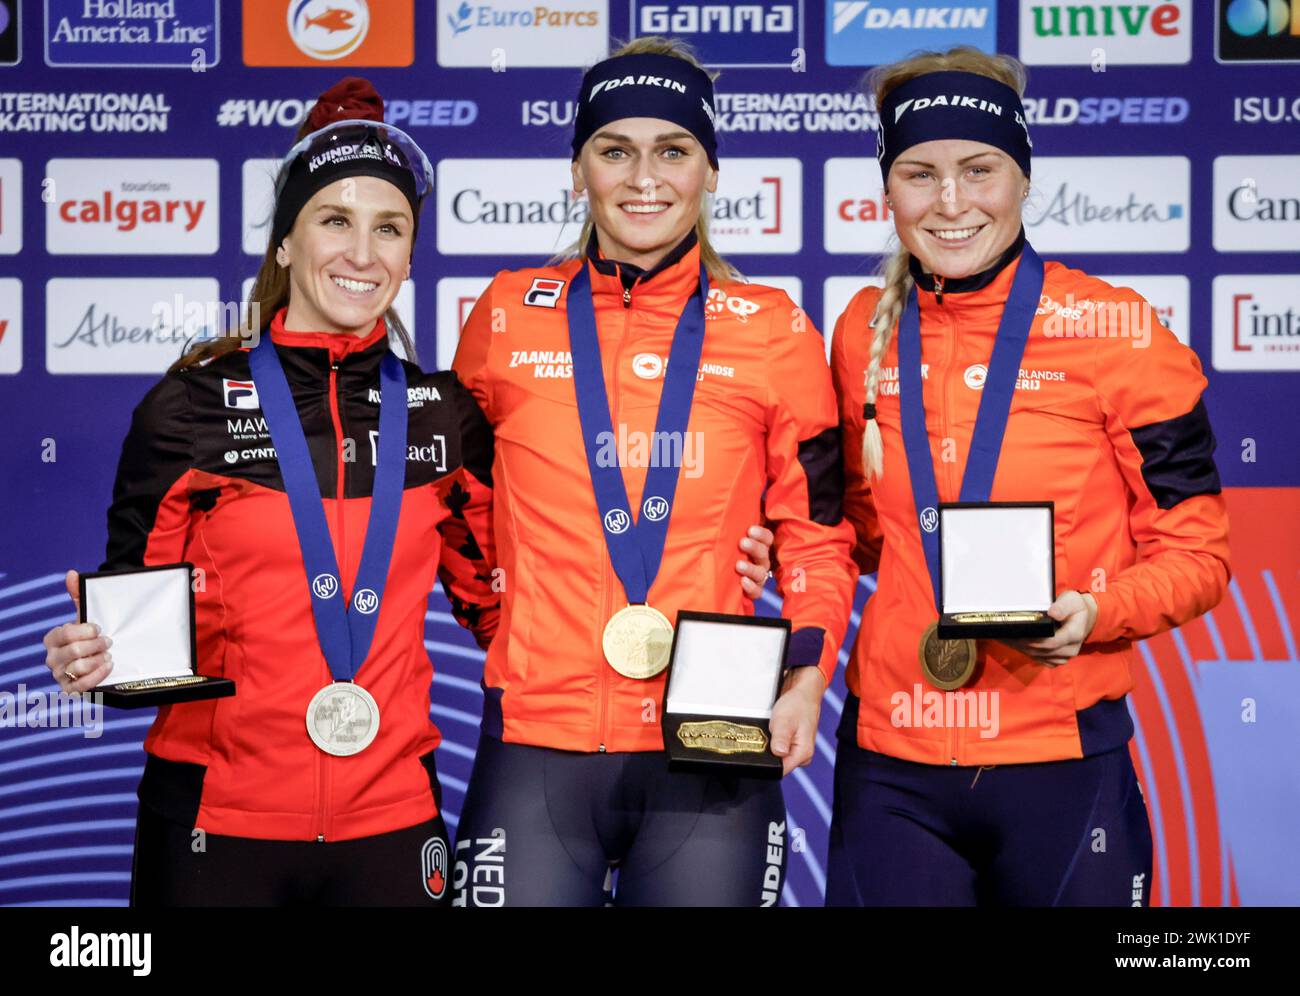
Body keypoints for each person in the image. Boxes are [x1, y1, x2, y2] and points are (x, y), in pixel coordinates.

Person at [39, 79, 499, 906]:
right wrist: (91, 658)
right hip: (216, 823)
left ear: (408, 254)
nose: (363, 253)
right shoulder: (187, 408)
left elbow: (504, 601)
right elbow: (133, 637)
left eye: (388, 228)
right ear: (285, 242)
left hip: (392, 823)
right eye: (335, 220)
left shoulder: (445, 416)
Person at [448, 37, 858, 907]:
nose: (644, 178)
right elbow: (458, 505)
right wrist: (507, 622)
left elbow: (818, 537)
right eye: (614, 151)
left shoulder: (773, 330)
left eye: (672, 151)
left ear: (710, 171)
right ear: (577, 171)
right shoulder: (506, 317)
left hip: (711, 735)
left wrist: (807, 675)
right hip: (537, 736)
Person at [822, 47, 1230, 906]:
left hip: (1058, 755)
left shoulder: (1117, 328)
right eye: (919, 174)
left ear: (1022, 178)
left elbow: (1199, 556)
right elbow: (863, 534)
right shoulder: (863, 331)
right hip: (893, 758)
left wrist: (1098, 612)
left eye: (981, 170)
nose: (952, 202)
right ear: (886, 191)